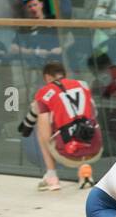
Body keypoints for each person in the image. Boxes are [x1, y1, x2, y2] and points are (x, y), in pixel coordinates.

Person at [19, 61, 102, 190]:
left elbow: (45, 131)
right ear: (64, 74)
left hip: (67, 153)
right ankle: (84, 170)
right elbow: (94, 112)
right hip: (94, 149)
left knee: (42, 128)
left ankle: (52, 177)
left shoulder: (45, 91)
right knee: (84, 122)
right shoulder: (82, 85)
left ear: (47, 77)